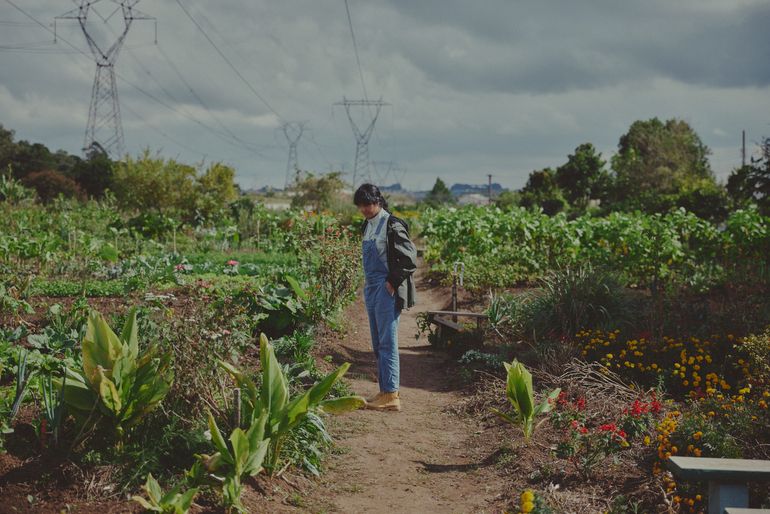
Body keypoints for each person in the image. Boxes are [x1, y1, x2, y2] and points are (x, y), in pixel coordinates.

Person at [354, 183, 417, 412]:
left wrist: (391, 282)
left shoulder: (391, 224)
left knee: (388, 342)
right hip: (371, 288)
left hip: (385, 289)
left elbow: (409, 259)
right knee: (377, 343)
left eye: (367, 204)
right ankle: (384, 391)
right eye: (360, 206)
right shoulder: (368, 225)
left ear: (377, 201)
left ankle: (392, 395)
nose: (364, 209)